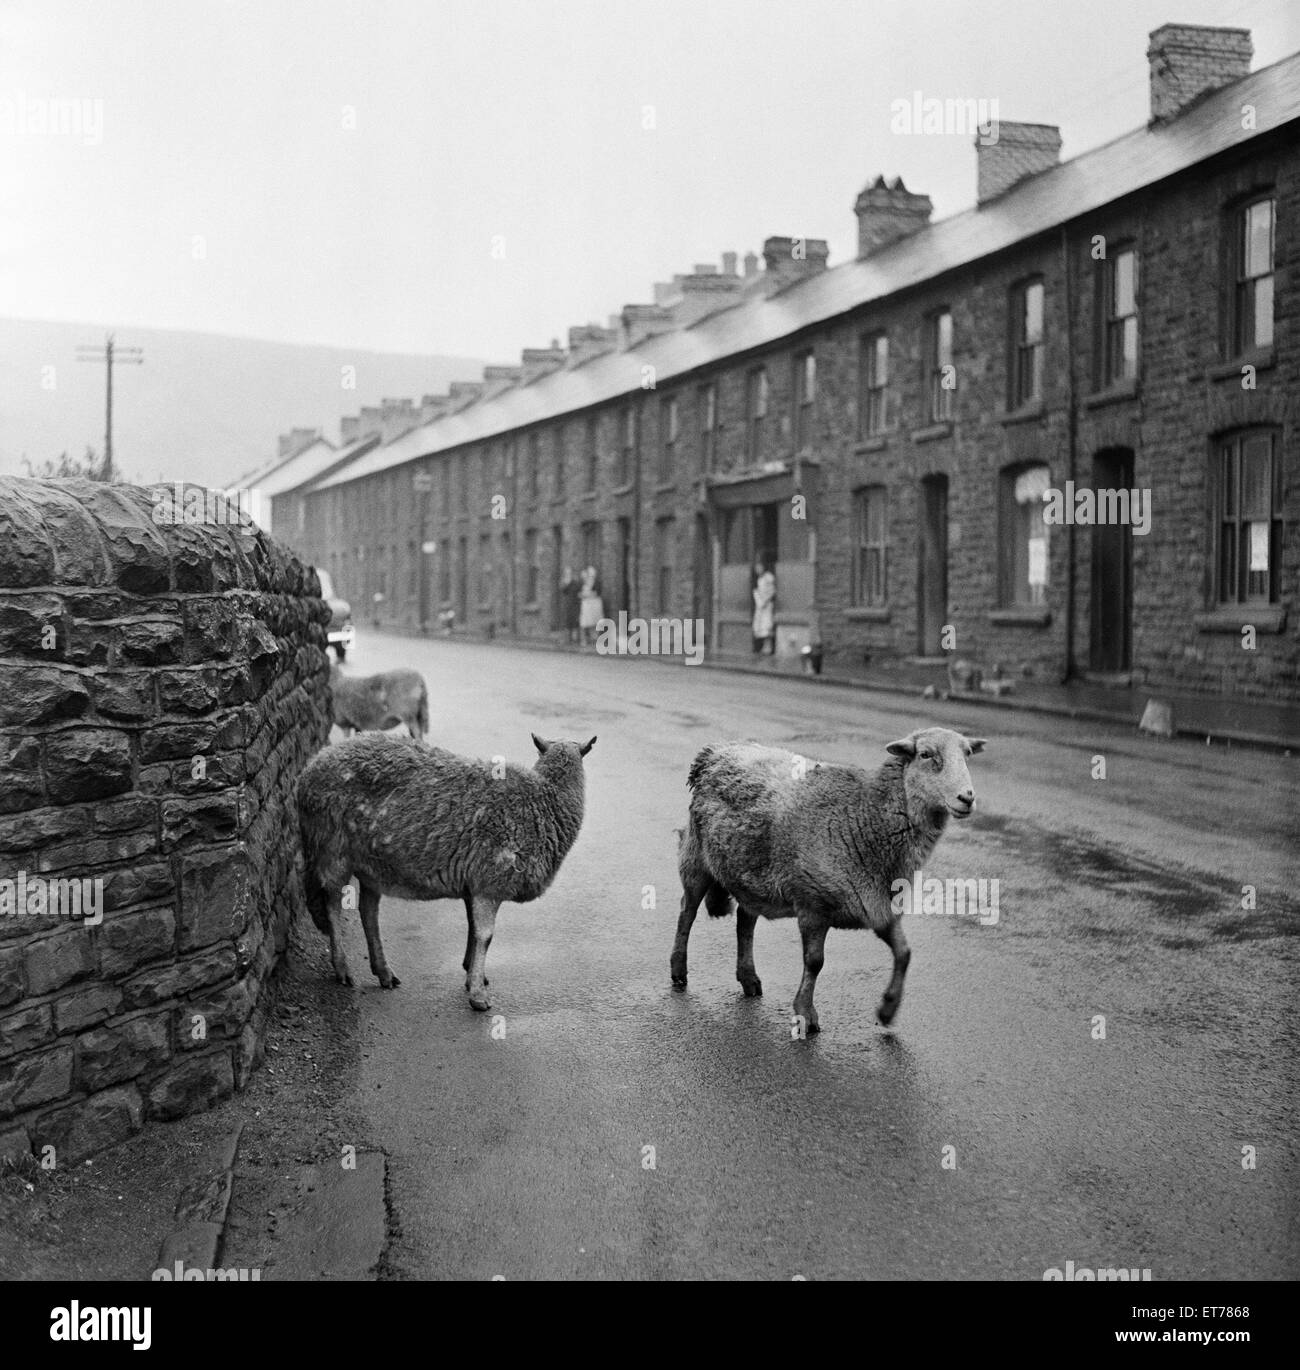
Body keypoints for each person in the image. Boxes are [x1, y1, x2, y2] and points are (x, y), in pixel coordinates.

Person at [752, 559, 776, 655]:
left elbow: (772, 591)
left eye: (759, 567)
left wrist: (765, 601)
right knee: (759, 626)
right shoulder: (759, 579)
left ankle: (768, 647)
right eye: (756, 568)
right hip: (760, 605)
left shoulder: (768, 577)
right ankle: (760, 647)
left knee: (767, 626)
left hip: (766, 605)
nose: (758, 569)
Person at [579, 564, 604, 647]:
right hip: (586, 604)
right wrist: (585, 594)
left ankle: (596, 639)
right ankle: (584, 640)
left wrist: (587, 594)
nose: (591, 575)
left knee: (595, 621)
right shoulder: (584, 582)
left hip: (595, 604)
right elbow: (580, 594)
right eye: (589, 573)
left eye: (592, 573)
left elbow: (597, 593)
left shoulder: (597, 582)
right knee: (585, 621)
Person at [560, 566, 582, 644]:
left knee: (575, 622)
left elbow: (579, 591)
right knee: (567, 622)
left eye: (569, 573)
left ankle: (574, 639)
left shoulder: (575, 582)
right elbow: (563, 590)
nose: (568, 574)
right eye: (567, 573)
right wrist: (566, 583)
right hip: (567, 604)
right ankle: (567, 639)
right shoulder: (564, 582)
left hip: (575, 604)